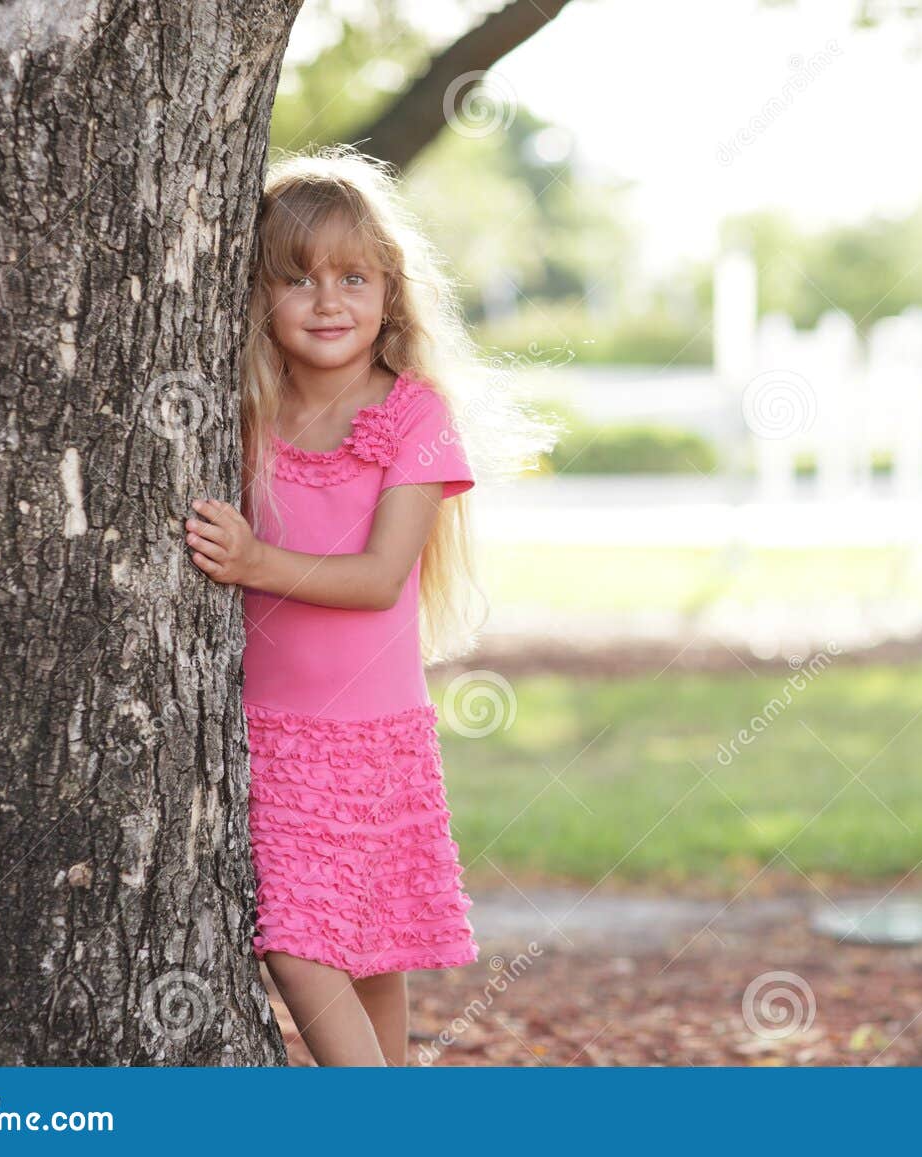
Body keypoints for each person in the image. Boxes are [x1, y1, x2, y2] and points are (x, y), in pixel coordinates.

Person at [181, 146, 558, 1065]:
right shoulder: (244, 415)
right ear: (259, 295)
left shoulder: (413, 416)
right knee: (310, 943)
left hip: (375, 735)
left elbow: (382, 575)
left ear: (391, 292)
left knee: (352, 951)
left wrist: (254, 560)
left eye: (354, 277)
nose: (327, 299)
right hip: (265, 731)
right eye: (298, 279)